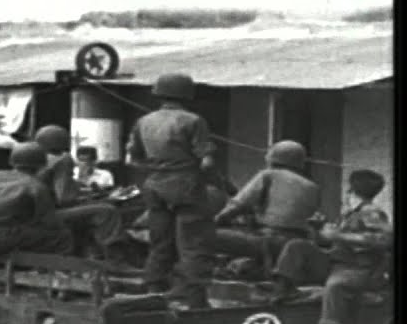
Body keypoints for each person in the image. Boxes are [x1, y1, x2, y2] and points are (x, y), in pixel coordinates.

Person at [264, 169, 392, 324]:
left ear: (352, 191)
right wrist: (319, 229)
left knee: (335, 286)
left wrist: (337, 236)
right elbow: (332, 242)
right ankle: (282, 289)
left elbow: (384, 240)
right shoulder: (351, 213)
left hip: (358, 268)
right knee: (297, 246)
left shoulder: (371, 212)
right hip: (336, 261)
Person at [127, 72, 218, 309]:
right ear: (187, 94)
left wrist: (157, 167)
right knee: (193, 243)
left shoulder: (143, 121)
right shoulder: (193, 121)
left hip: (154, 186)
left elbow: (132, 159)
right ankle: (196, 300)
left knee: (160, 241)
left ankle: (153, 292)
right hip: (186, 185)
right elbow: (206, 162)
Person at [211, 140, 320, 267]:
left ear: (274, 156)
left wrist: (216, 220)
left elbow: (239, 204)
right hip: (297, 245)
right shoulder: (313, 187)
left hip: (268, 241)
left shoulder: (268, 175)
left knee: (202, 234)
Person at [35, 125, 131, 265]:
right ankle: (116, 261)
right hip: (51, 214)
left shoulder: (34, 158)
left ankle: (90, 253)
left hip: (37, 212)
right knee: (107, 211)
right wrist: (88, 197)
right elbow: (64, 197)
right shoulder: (62, 160)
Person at [0, 142, 74, 256]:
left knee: (22, 231)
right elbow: (50, 222)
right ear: (41, 165)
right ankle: (47, 267)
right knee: (62, 237)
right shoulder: (35, 185)